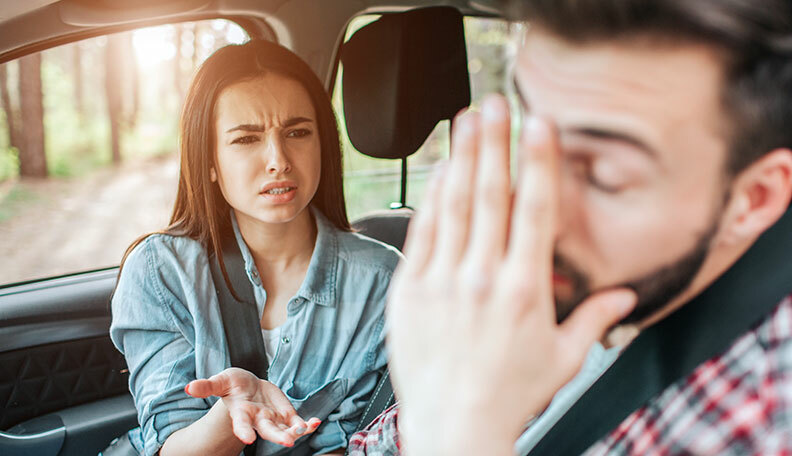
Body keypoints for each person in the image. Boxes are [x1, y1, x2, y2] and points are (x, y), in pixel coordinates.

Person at [359, 0, 792, 454]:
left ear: (754, 198)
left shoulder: (765, 415)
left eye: (605, 174)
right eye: (533, 137)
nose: (532, 208)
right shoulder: (528, 304)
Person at [110, 39, 400, 456]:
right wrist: (231, 415)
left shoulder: (384, 279)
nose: (278, 159)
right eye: (246, 139)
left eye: (298, 132)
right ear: (208, 159)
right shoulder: (160, 272)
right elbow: (170, 447)